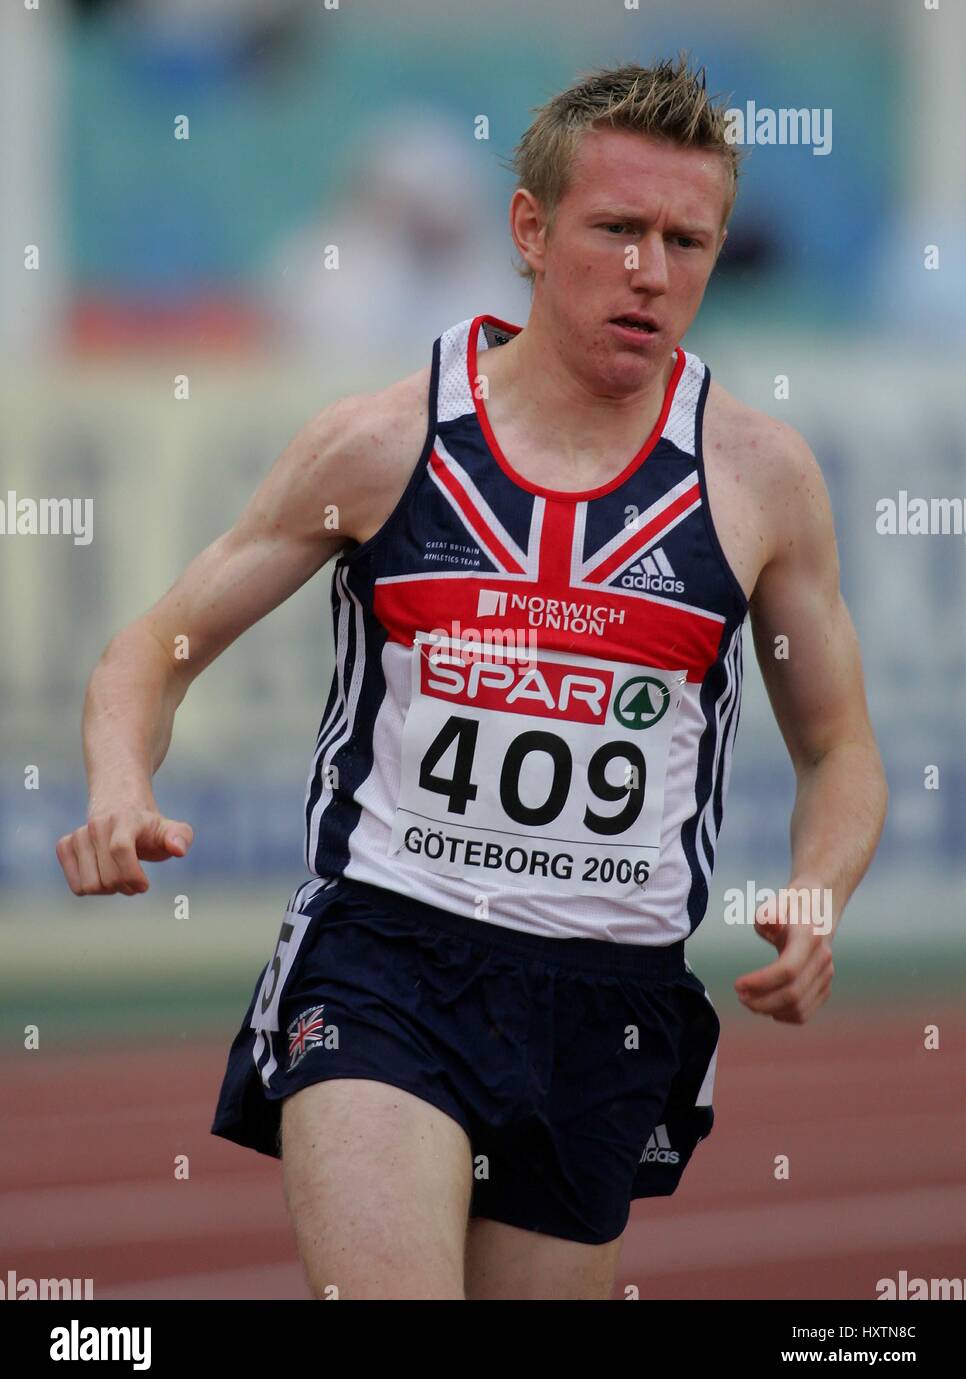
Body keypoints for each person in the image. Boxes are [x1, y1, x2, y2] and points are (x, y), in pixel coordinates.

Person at [56, 57, 888, 1301]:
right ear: (531, 229)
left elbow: (839, 749)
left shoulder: (761, 477)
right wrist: (120, 781)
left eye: (687, 240)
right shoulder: (386, 443)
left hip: (613, 993)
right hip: (388, 957)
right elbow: (153, 646)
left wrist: (819, 891)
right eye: (617, 230)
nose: (651, 274)